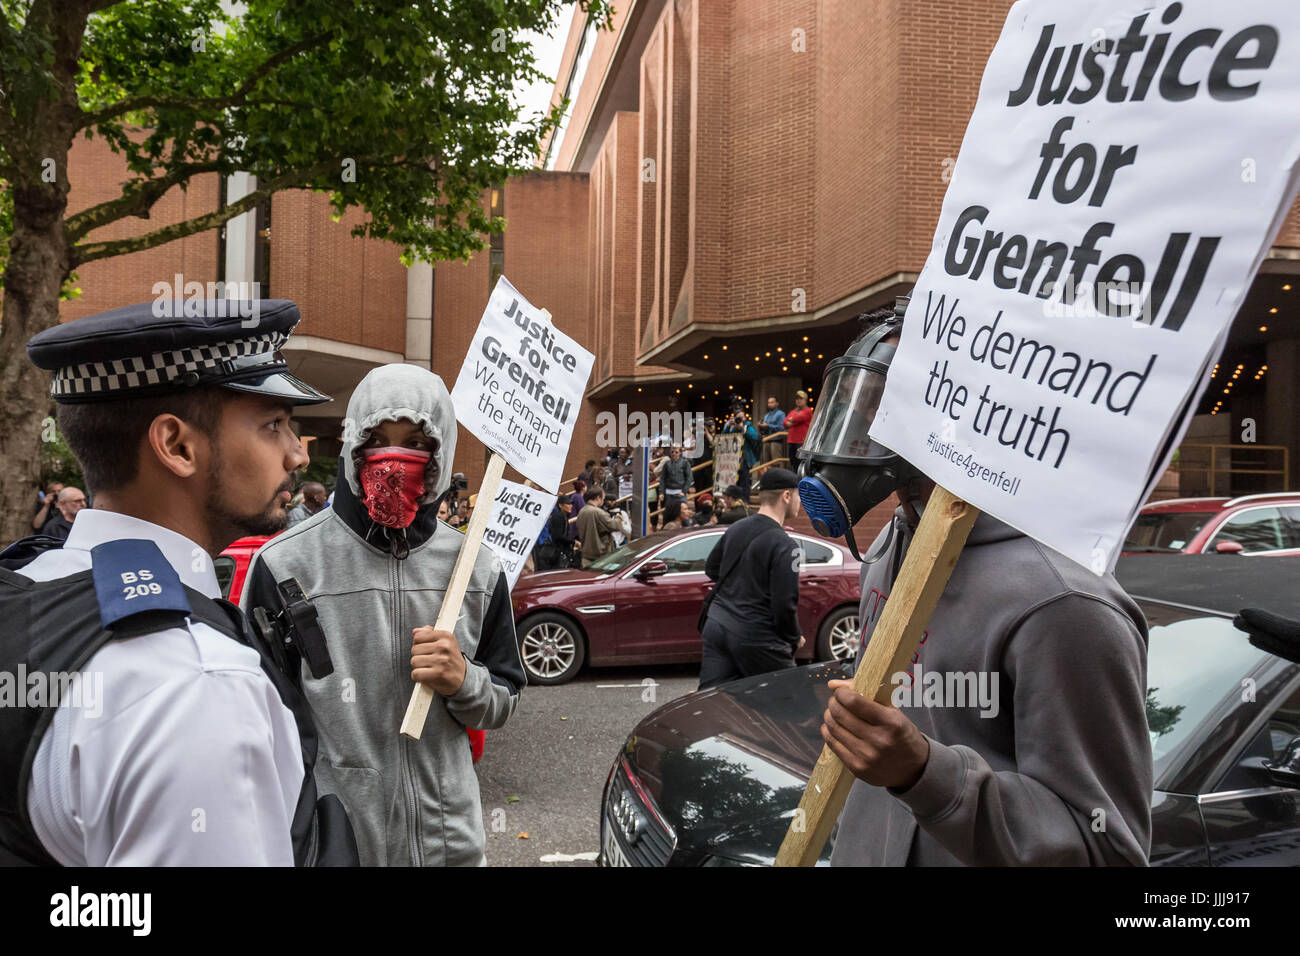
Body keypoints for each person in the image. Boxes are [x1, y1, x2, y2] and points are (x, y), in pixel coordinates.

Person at [3, 298, 357, 866]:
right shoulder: (197, 686)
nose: (295, 454)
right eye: (273, 424)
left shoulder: (27, 582)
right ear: (176, 446)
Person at [796, 302, 1151, 866]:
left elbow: (1103, 849)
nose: (862, 432)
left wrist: (924, 775)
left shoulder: (1065, 604)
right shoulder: (895, 541)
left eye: (885, 407)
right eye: (860, 406)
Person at [241, 363, 525, 867]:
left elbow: (502, 700)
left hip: (450, 846)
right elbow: (259, 726)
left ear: (440, 453)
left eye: (415, 442)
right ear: (353, 447)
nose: (395, 460)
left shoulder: (476, 567)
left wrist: (465, 681)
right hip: (338, 847)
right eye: (377, 439)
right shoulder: (285, 565)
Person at [698, 467, 804, 690]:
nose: (800, 502)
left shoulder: (736, 528)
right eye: (798, 495)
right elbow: (784, 605)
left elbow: (711, 568)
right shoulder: (787, 545)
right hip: (755, 635)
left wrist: (742, 585)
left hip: (716, 624)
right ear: (786, 496)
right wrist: (795, 637)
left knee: (715, 702)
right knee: (794, 703)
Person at [576, 487, 626, 568]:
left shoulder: (582, 511)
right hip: (600, 557)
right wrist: (618, 517)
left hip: (586, 555)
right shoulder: (598, 512)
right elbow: (614, 526)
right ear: (598, 497)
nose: (604, 500)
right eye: (603, 498)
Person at [724, 409, 761, 500]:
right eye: (739, 417)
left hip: (745, 458)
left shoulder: (748, 426)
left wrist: (743, 429)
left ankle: (745, 502)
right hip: (733, 458)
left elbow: (755, 437)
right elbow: (723, 437)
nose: (741, 418)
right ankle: (736, 501)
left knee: (744, 482)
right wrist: (728, 426)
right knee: (734, 482)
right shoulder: (732, 427)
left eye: (743, 416)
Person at [536, 494, 576, 570]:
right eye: (568, 504)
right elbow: (557, 536)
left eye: (571, 504)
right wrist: (572, 541)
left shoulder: (562, 515)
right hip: (555, 554)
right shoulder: (558, 516)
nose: (571, 506)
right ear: (560, 505)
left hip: (557, 552)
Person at [655, 445, 694, 517]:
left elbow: (689, 478)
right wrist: (661, 492)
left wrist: (684, 491)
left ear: (680, 453)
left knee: (682, 514)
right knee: (667, 515)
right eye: (672, 452)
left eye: (676, 452)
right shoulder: (667, 464)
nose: (674, 454)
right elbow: (662, 479)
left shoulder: (685, 463)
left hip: (680, 493)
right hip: (668, 493)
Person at [784, 389, 813, 466]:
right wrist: (794, 421)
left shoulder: (808, 410)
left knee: (801, 462)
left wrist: (792, 420)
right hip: (791, 440)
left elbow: (799, 418)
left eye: (801, 398)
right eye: (797, 398)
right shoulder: (793, 411)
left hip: (801, 441)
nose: (798, 400)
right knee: (793, 461)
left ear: (805, 400)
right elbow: (784, 422)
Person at [760, 396, 787, 463]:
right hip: (766, 440)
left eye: (772, 402)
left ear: (777, 403)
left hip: (776, 441)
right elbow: (765, 428)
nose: (770, 404)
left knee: (777, 463)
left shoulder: (780, 414)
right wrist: (761, 426)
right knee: (766, 464)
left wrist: (768, 425)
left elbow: (782, 428)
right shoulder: (766, 415)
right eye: (769, 402)